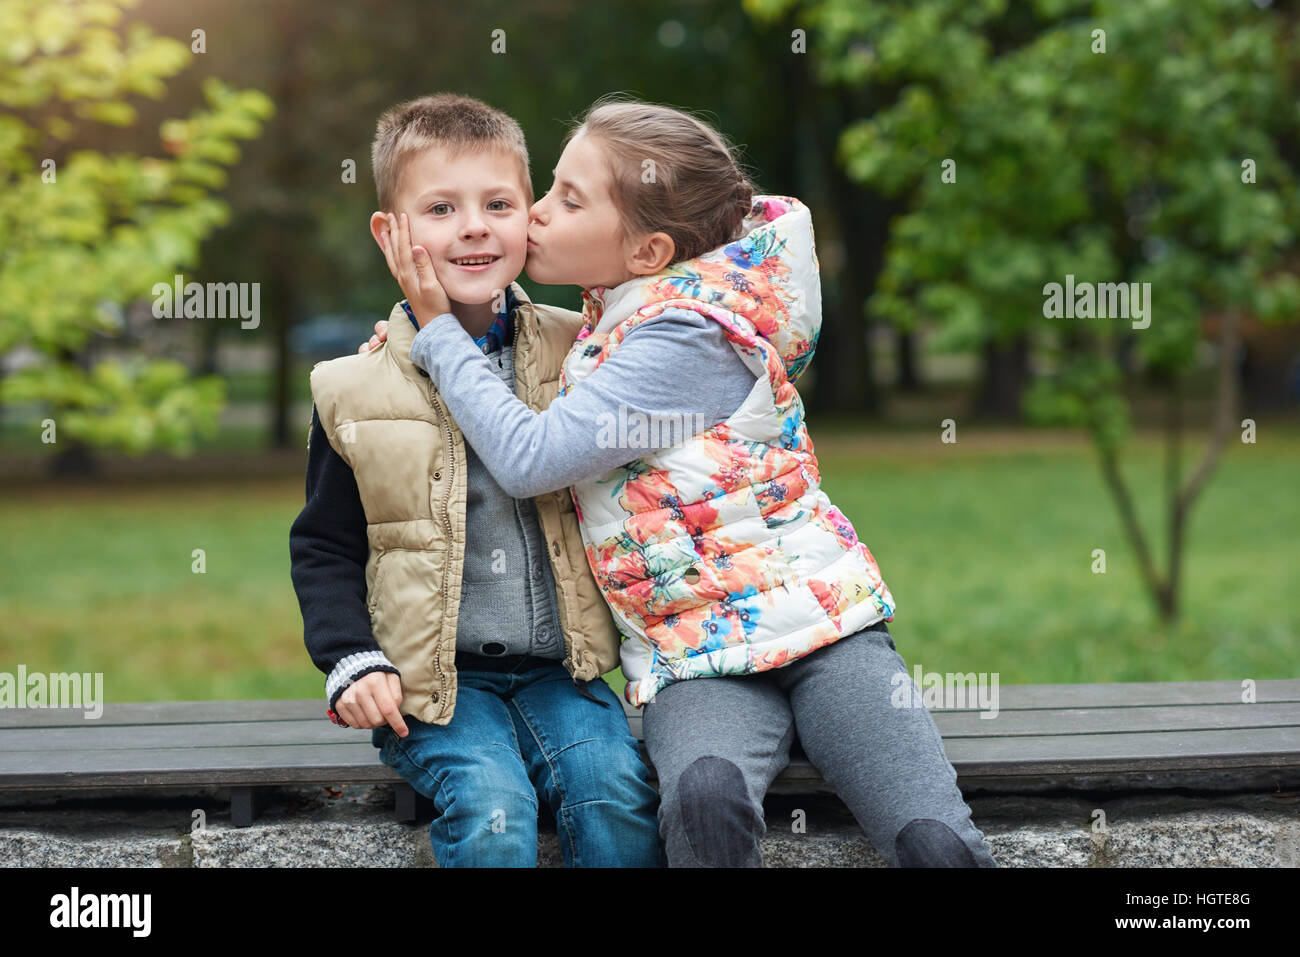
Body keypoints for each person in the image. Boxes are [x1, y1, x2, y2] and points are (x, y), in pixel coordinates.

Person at [367, 96, 999, 868]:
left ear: (648, 250)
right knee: (701, 801)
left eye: (567, 198)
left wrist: (435, 336)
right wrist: (408, 340)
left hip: (828, 640)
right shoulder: (627, 311)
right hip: (695, 657)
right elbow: (512, 349)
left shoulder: (686, 336)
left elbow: (530, 457)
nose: (532, 213)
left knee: (931, 838)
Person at [289, 93, 661, 868]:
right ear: (391, 233)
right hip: (436, 687)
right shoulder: (352, 388)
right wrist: (350, 659)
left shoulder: (583, 349)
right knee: (494, 806)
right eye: (440, 207)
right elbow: (323, 544)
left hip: (567, 671)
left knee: (615, 798)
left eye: (498, 203)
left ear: (531, 215)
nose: (473, 227)